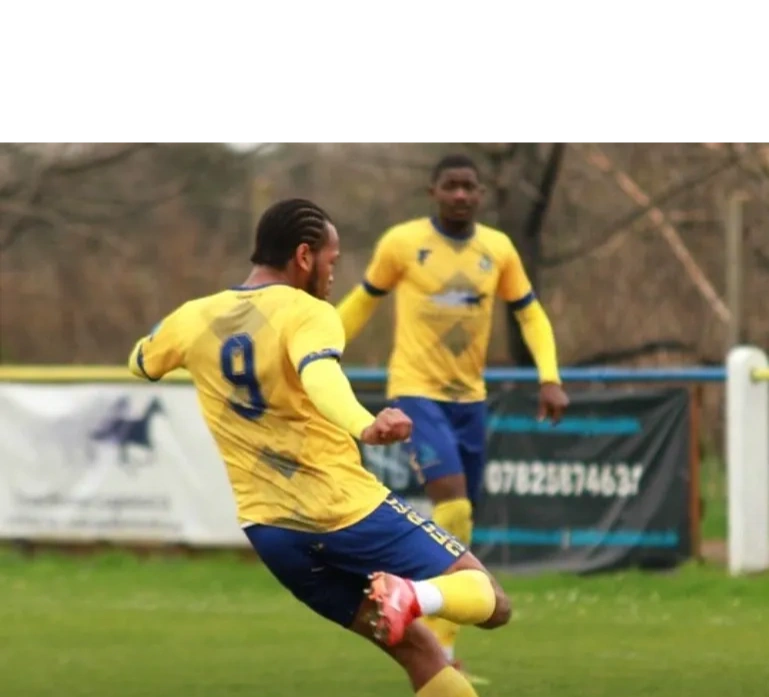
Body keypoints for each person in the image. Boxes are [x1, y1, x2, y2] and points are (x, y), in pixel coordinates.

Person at [128, 198, 511, 697]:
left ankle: (408, 601)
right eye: (332, 261)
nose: (333, 275)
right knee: (492, 600)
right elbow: (320, 374)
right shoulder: (307, 311)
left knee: (418, 650)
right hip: (343, 511)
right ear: (304, 257)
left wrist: (168, 334)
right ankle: (411, 593)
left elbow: (141, 361)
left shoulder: (194, 317)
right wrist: (365, 423)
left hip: (272, 535)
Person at [336, 154, 569, 682]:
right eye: (451, 186)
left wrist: (549, 375)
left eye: (469, 187)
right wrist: (321, 347)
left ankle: (432, 626)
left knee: (462, 521)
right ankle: (431, 634)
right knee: (455, 504)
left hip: (470, 400)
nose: (461, 195)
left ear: (481, 194)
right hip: (416, 392)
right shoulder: (402, 243)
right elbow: (363, 300)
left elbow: (529, 312)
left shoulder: (498, 249)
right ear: (432, 191)